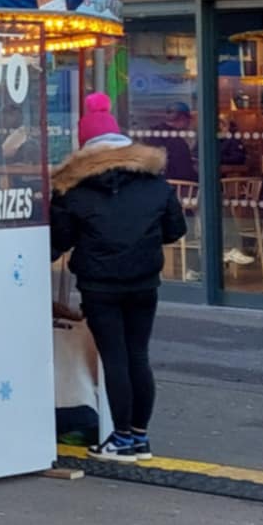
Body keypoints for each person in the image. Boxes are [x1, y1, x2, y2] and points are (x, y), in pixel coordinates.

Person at [50, 91, 186, 462]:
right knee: (138, 355)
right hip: (144, 283)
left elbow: (58, 240)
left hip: (99, 285)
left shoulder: (73, 189)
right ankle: (139, 438)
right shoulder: (156, 184)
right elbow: (175, 230)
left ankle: (121, 437)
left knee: (115, 358)